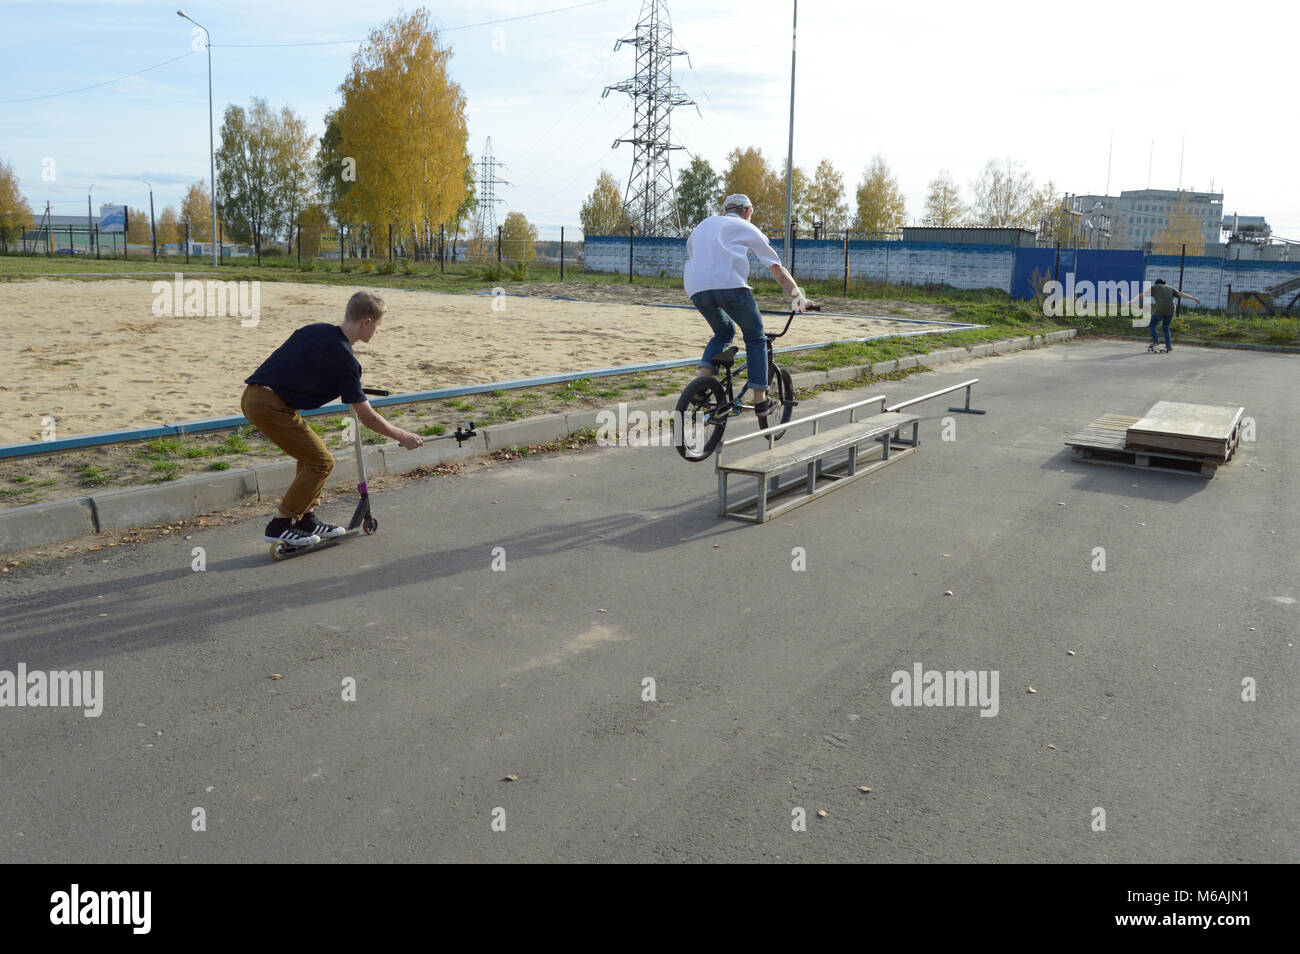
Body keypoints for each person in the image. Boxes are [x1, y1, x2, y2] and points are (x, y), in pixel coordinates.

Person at [241, 290, 423, 546]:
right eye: (379, 326)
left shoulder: (317, 330)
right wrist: (402, 436)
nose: (378, 332)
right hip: (270, 406)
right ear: (366, 323)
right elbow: (368, 417)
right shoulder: (346, 360)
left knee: (311, 455)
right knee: (322, 462)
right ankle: (280, 523)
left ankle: (305, 518)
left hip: (256, 396)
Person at [683, 194, 813, 416]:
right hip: (731, 287)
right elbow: (777, 270)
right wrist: (798, 297)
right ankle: (761, 400)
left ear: (726, 210)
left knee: (724, 331)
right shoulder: (745, 226)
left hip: (696, 289)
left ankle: (702, 384)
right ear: (747, 211)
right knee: (755, 337)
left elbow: (695, 254)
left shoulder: (704, 225)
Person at [1129, 278, 1200, 352]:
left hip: (1161, 310)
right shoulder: (1170, 288)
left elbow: (1142, 294)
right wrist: (1193, 298)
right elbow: (1181, 294)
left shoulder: (1155, 287)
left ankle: (1156, 341)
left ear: (1157, 283)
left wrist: (1132, 301)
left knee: (1152, 325)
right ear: (1164, 283)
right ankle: (1168, 346)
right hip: (1171, 310)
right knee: (1166, 327)